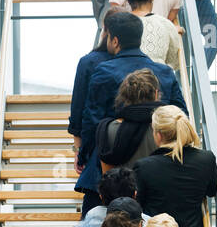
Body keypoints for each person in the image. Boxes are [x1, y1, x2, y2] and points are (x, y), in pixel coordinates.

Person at [77, 12, 187, 216]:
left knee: (93, 221)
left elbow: (92, 120)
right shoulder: (164, 72)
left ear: (115, 40)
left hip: (112, 162)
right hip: (157, 164)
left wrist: (83, 155)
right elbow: (181, 114)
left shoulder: (103, 71)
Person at [133, 104, 217, 227]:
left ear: (158, 135)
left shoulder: (144, 167)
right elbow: (211, 191)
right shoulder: (206, 159)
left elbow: (138, 206)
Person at [67, 9, 124, 158]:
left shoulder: (88, 62)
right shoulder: (134, 63)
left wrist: (78, 150)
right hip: (127, 142)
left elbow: (78, 108)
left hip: (95, 143)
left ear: (105, 30)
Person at [95, 69, 162, 178]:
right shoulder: (168, 127)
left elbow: (107, 177)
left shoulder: (107, 130)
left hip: (124, 193)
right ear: (155, 94)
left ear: (125, 96)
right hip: (159, 193)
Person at [123, 0, 182, 68]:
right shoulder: (165, 25)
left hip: (123, 79)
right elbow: (174, 62)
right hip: (156, 79)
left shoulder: (117, 24)